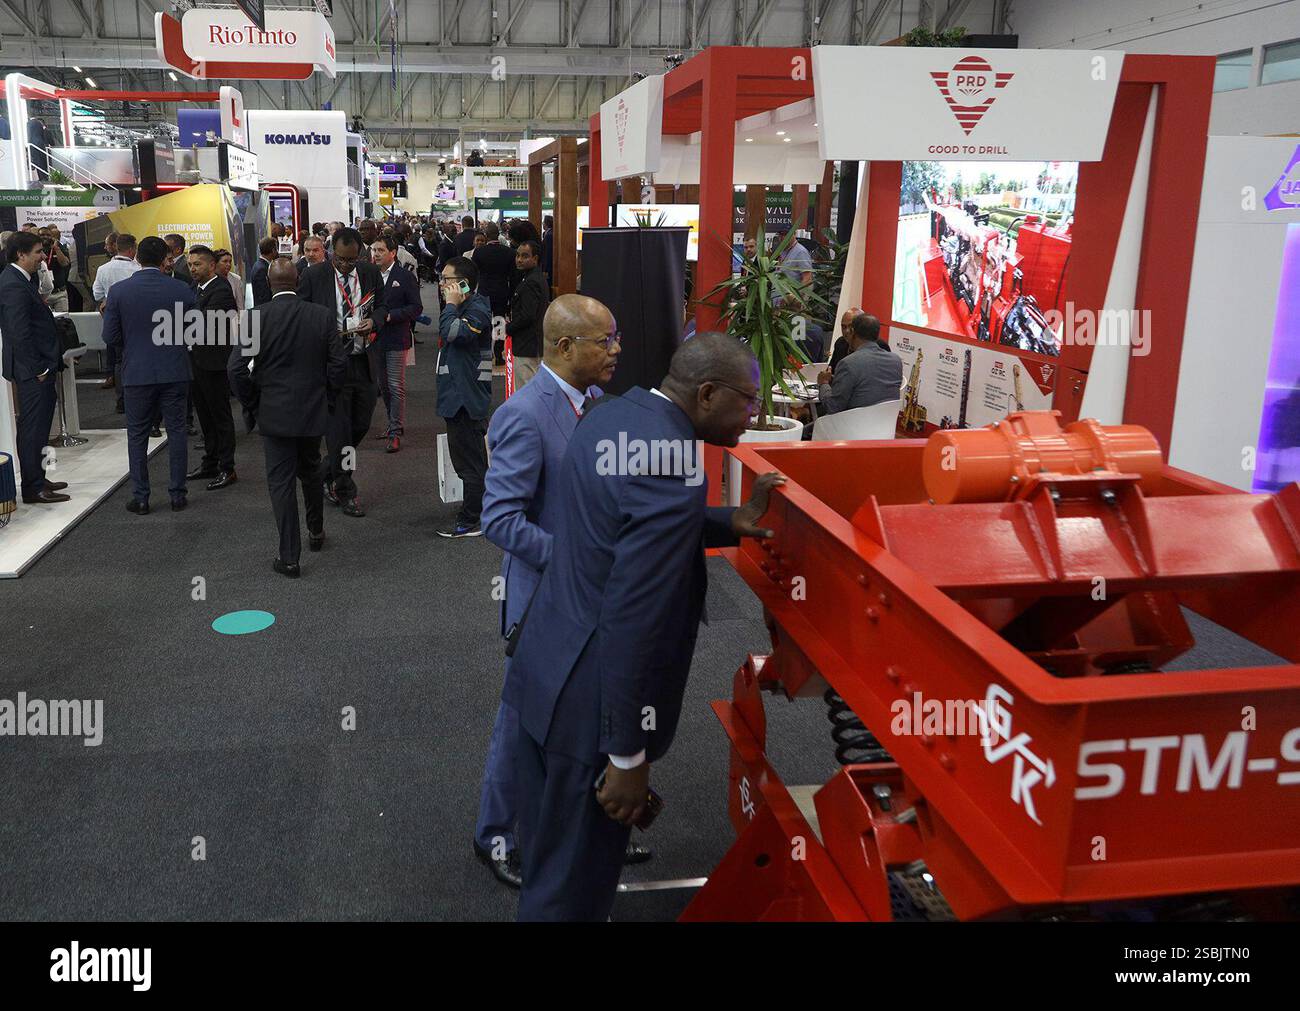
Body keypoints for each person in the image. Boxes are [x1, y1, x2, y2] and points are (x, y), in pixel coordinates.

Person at [506, 332, 785, 921]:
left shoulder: (615, 415)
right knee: (573, 892)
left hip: (545, 666)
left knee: (550, 862)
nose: (755, 416)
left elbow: (615, 526)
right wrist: (627, 755)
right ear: (708, 394)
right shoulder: (675, 465)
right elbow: (635, 619)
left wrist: (727, 521)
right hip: (591, 700)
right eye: (750, 401)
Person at [475, 293, 625, 888]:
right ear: (564, 348)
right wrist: (575, 561)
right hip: (544, 601)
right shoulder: (526, 413)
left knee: (588, 718)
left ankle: (582, 828)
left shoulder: (597, 404)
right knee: (522, 725)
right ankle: (500, 835)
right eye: (605, 340)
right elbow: (501, 519)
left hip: (598, 602)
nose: (617, 349)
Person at [229, 258, 347, 578]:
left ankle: (289, 557)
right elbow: (338, 365)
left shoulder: (256, 318)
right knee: (310, 471)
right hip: (312, 412)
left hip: (274, 413)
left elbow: (236, 369)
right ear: (298, 281)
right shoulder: (321, 316)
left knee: (280, 484)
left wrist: (254, 403)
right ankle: (316, 531)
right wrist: (328, 399)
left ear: (267, 283)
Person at [297, 226, 388, 518]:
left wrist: (374, 321)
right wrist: (324, 333)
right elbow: (301, 315)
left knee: (360, 425)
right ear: (331, 252)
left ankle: (324, 472)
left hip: (363, 362)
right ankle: (345, 488)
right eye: (340, 259)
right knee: (338, 433)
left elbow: (384, 306)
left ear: (360, 254)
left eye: (351, 260)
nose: (345, 265)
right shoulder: (314, 276)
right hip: (332, 366)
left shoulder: (370, 274)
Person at [101, 236, 195, 513]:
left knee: (137, 436)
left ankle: (141, 497)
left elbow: (110, 336)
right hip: (175, 369)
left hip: (137, 372)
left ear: (137, 258)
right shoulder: (181, 289)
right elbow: (196, 331)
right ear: (165, 257)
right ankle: (177, 494)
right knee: (177, 432)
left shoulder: (119, 292)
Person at [0, 232, 70, 505]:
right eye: (39, 252)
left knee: (40, 427)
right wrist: (38, 368)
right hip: (33, 370)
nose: (43, 257)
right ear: (21, 254)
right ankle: (33, 486)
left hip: (38, 367)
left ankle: (39, 477)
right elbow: (19, 332)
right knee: (32, 428)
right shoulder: (12, 283)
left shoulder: (21, 280)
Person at [436, 255, 493, 538]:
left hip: (466, 397)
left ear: (462, 284)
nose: (441, 284)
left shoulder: (477, 308)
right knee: (466, 461)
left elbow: (452, 333)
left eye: (446, 280)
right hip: (456, 395)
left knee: (471, 464)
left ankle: (472, 519)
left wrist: (449, 305)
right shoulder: (466, 306)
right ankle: (477, 511)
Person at [186, 245, 240, 491]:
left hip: (215, 363)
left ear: (211, 265)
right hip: (196, 361)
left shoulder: (221, 288)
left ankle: (227, 468)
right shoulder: (193, 289)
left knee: (220, 416)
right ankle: (210, 461)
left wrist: (184, 314)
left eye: (197, 264)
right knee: (205, 416)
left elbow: (204, 321)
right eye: (190, 265)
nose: (192, 268)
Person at [804, 313, 903, 439]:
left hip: (850, 430)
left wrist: (823, 383)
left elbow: (832, 406)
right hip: (884, 431)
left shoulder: (848, 363)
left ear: (852, 332)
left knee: (804, 431)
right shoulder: (896, 361)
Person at [369, 235, 422, 453]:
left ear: (393, 253)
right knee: (383, 386)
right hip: (374, 338)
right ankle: (392, 423)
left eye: (380, 250)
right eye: (374, 250)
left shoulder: (404, 276)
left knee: (395, 385)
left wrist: (391, 316)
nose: (376, 254)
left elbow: (416, 308)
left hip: (397, 337)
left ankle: (395, 431)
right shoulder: (369, 275)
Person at [92, 232, 140, 397]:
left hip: (114, 319)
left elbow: (97, 294)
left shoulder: (103, 269)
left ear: (116, 247)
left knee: (119, 360)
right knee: (137, 357)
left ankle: (121, 400)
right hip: (136, 319)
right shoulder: (138, 268)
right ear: (132, 249)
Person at [506, 239, 549, 389]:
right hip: (533, 343)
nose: (519, 259)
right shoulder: (534, 278)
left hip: (527, 345)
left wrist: (509, 328)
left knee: (526, 390)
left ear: (535, 258)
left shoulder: (531, 282)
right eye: (518, 255)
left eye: (525, 256)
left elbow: (527, 315)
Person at [41, 225, 72, 313]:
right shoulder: (35, 249)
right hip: (43, 295)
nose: (45, 237)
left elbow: (65, 263)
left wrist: (56, 248)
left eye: (48, 235)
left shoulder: (58, 246)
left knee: (63, 321)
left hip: (59, 293)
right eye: (42, 235)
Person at [829, 308, 864, 373]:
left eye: (851, 326)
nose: (847, 331)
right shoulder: (840, 343)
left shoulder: (877, 346)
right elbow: (831, 370)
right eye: (844, 327)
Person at [250, 237, 276, 306]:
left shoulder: (260, 265)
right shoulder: (261, 269)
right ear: (273, 250)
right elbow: (263, 296)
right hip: (262, 311)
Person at [540, 215, 554, 282]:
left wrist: (545, 269)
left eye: (543, 222)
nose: (542, 223)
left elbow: (548, 253)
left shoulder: (549, 235)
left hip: (548, 268)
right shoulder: (548, 233)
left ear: (546, 223)